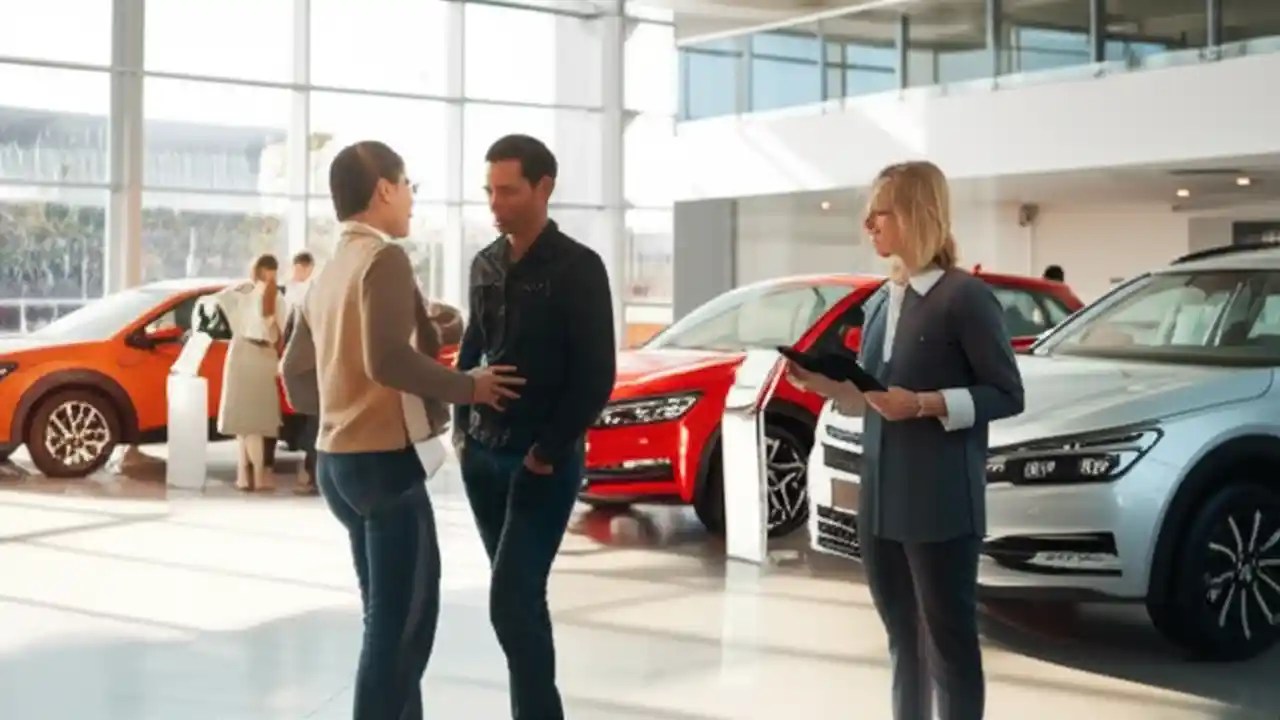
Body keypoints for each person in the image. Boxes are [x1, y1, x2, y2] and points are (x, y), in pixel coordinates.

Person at [280, 140, 525, 720]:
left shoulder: (326, 271)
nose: (413, 196)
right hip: (384, 467)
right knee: (400, 636)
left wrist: (342, 411)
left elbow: (294, 373)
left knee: (387, 625)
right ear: (384, 190)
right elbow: (387, 360)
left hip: (339, 467)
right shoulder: (383, 259)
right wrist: (472, 386)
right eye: (408, 182)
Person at [788, 161, 1024, 720]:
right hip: (880, 505)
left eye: (881, 211)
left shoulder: (966, 298)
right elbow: (870, 396)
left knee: (950, 645)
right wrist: (826, 385)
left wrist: (925, 403)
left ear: (919, 213)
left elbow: (1007, 393)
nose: (868, 224)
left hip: (941, 505)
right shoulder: (879, 302)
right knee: (902, 639)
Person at [454, 134, 616, 720]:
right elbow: (472, 348)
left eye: (508, 190)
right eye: (490, 190)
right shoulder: (484, 263)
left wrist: (547, 452)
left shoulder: (580, 268)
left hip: (542, 464)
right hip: (483, 458)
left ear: (543, 188)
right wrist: (461, 426)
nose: (495, 203)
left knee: (511, 599)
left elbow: (597, 375)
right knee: (522, 601)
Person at [216, 253, 288, 492]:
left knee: (244, 425)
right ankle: (256, 476)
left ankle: (244, 476)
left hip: (239, 354)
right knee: (254, 423)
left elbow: (220, 299)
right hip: (261, 354)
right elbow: (279, 332)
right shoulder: (275, 297)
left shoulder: (243, 293)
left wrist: (241, 286)